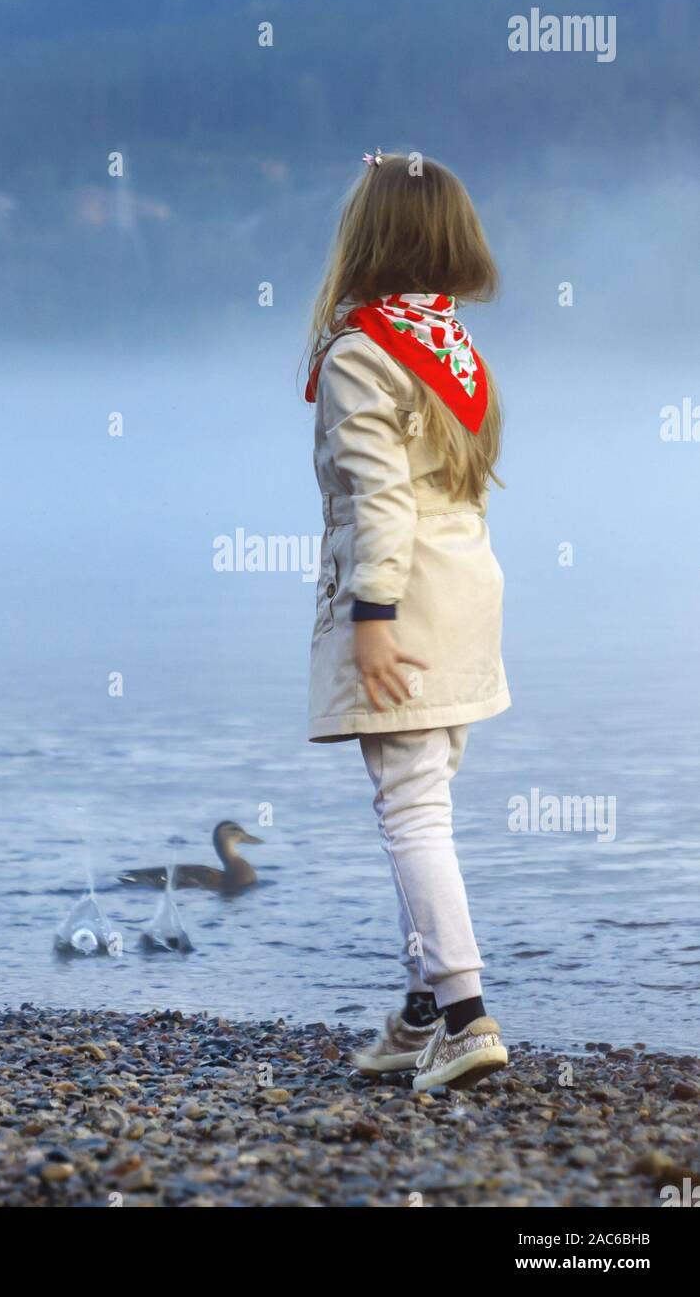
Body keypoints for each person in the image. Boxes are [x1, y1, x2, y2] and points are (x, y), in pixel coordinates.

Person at [305, 151, 511, 1090]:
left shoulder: (361, 351)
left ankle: (466, 1016)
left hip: (408, 597)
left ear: (367, 238)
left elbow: (381, 502)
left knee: (411, 809)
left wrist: (371, 615)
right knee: (426, 792)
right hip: (468, 588)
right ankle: (423, 1010)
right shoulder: (452, 345)